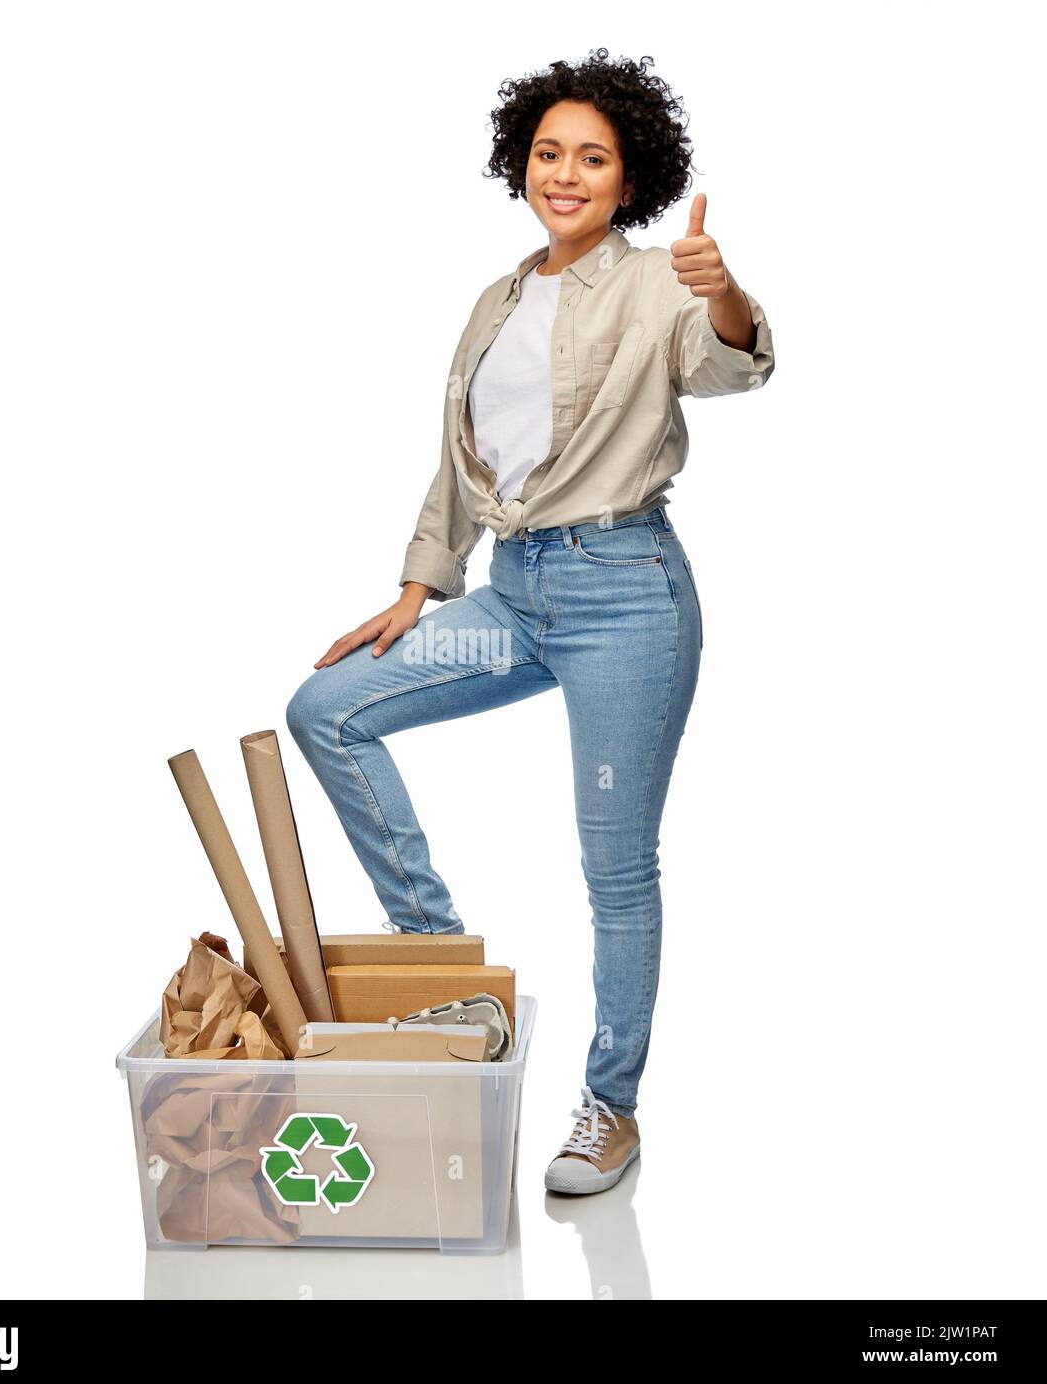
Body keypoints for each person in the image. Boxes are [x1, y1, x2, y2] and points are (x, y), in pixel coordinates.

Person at [286, 48, 775, 1195]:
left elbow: (735, 366)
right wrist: (421, 581)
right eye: (548, 153)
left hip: (625, 597)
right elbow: (459, 460)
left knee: (615, 869)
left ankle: (610, 1108)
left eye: (592, 158)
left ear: (628, 177)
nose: (566, 174)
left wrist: (723, 290)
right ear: (522, 164)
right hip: (512, 597)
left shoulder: (662, 283)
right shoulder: (496, 299)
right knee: (328, 711)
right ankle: (438, 955)